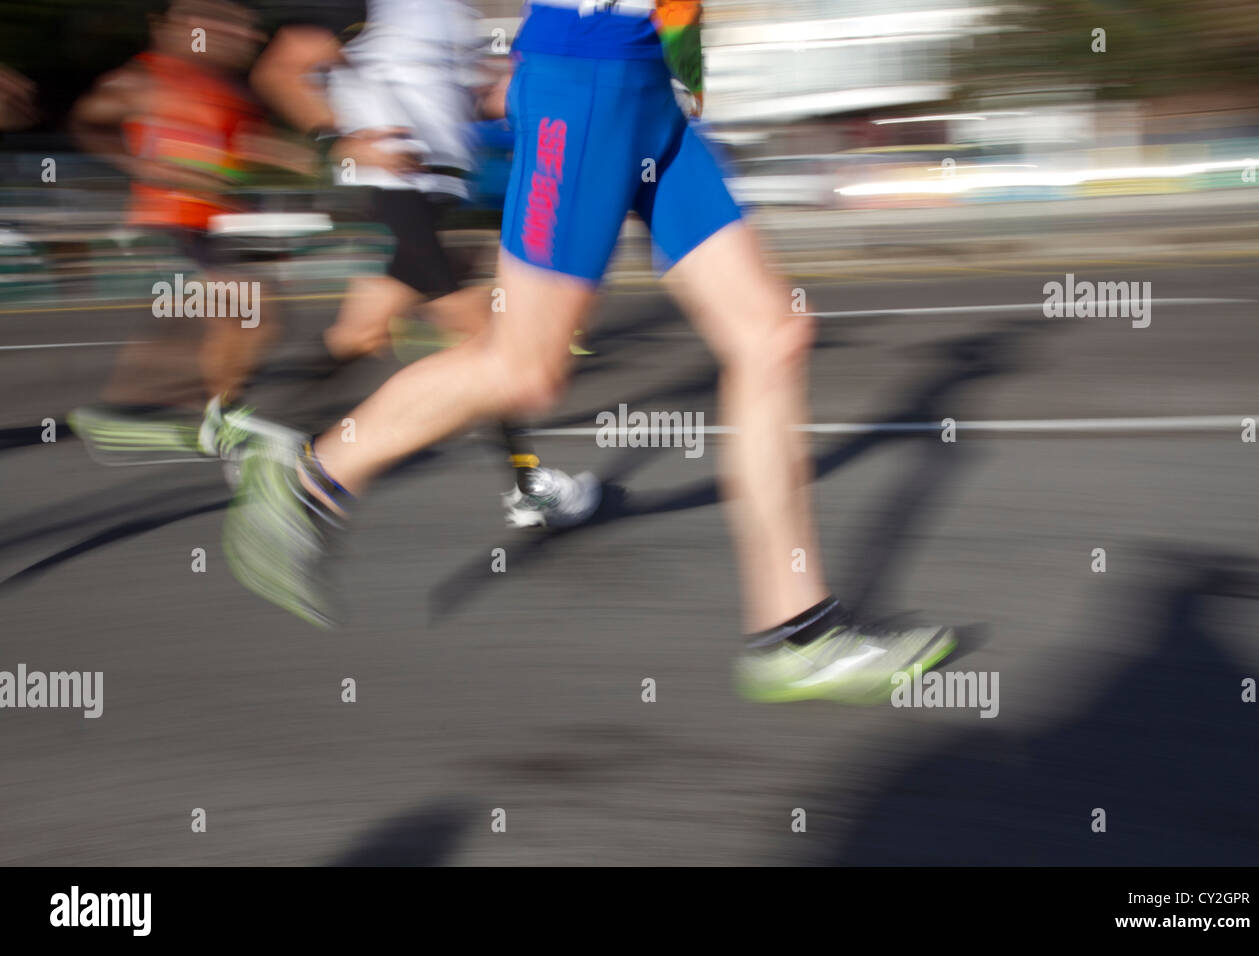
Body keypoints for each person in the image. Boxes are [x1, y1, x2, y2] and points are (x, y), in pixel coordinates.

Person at [225, 0, 956, 703]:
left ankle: (795, 636)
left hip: (648, 83)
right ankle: (307, 478)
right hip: (589, 74)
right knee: (525, 368)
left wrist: (687, 65)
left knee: (772, 333)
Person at [250, 0, 599, 526]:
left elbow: (475, 99)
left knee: (360, 335)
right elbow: (279, 71)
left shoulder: (458, 14)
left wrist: (557, 94)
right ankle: (527, 487)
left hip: (434, 194)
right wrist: (339, 139)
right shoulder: (365, 4)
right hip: (393, 189)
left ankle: (254, 435)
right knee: (490, 340)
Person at [66, 0, 310, 465]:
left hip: (214, 227)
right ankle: (186, 418)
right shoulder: (143, 79)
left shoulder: (227, 91)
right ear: (169, 26)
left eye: (237, 25)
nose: (230, 34)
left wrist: (282, 152)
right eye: (211, 22)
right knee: (251, 312)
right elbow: (88, 124)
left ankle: (212, 416)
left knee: (247, 322)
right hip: (167, 222)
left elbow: (239, 147)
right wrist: (146, 166)